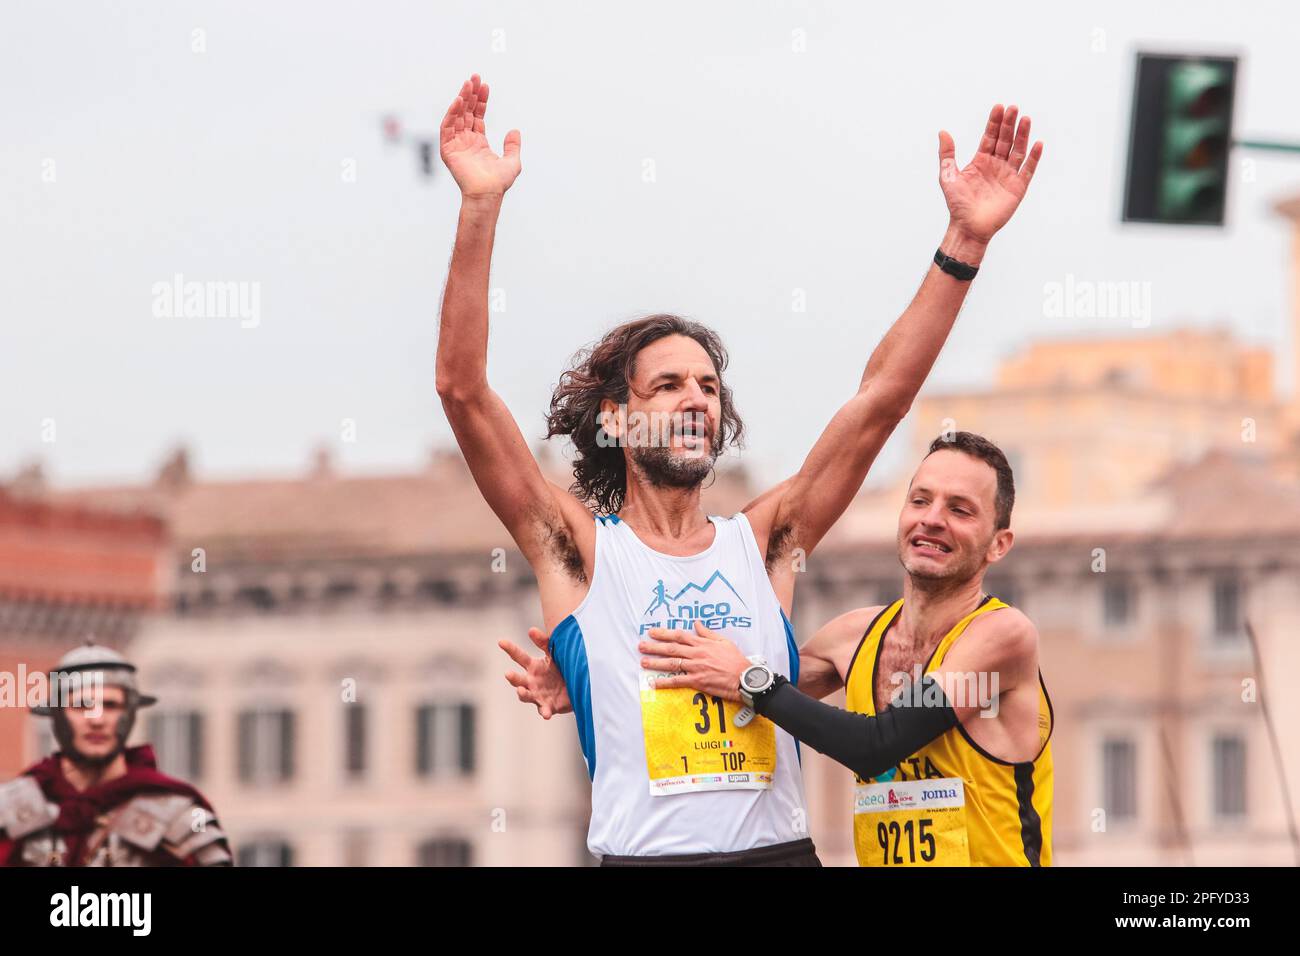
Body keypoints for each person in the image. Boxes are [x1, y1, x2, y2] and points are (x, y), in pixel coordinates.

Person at [439, 72, 1045, 864]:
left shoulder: (766, 543)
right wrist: (480, 207)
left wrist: (963, 245)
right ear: (617, 420)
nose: (696, 396)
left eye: (709, 386)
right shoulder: (577, 550)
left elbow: (880, 402)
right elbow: (463, 391)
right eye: (668, 384)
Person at [630, 433, 1054, 866]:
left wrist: (749, 681)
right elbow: (721, 686)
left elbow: (875, 746)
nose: (933, 519)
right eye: (920, 501)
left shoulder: (1003, 636)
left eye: (960, 510)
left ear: (999, 544)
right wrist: (579, 677)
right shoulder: (852, 637)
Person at [0, 642, 232, 867]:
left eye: (110, 706)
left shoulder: (184, 817)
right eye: (81, 706)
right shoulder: (8, 809)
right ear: (58, 716)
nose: (98, 720)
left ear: (129, 715)